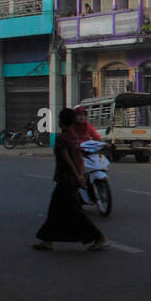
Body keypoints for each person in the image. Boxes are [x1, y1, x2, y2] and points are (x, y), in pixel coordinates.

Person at [32, 107, 108, 251]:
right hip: (70, 179)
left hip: (66, 179)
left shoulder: (62, 138)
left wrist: (77, 175)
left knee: (76, 211)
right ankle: (47, 240)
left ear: (62, 121)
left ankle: (99, 237)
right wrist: (80, 174)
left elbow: (67, 159)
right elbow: (79, 157)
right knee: (54, 210)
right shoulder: (74, 136)